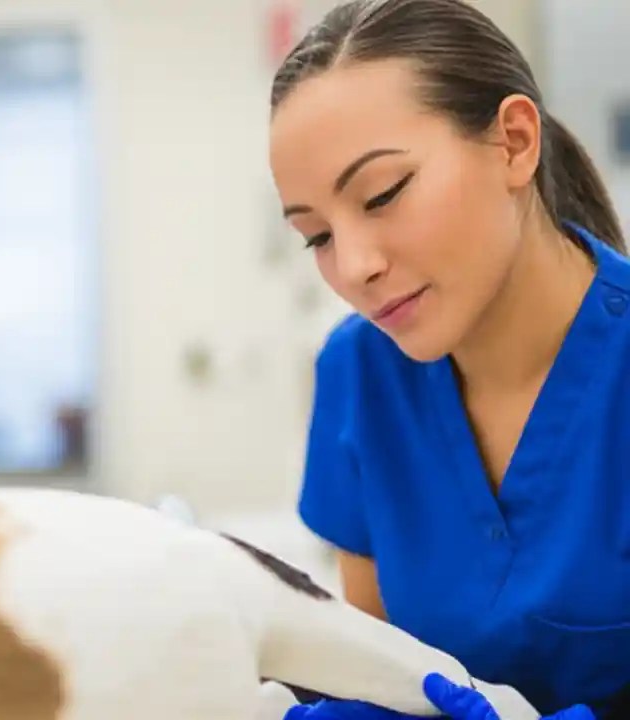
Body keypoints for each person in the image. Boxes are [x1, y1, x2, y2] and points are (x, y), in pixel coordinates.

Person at [266, 0, 630, 718]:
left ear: (515, 143)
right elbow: (379, 663)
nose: (356, 268)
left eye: (383, 193)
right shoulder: (358, 376)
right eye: (317, 237)